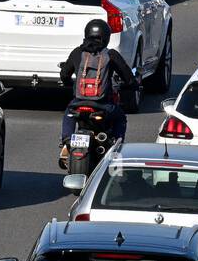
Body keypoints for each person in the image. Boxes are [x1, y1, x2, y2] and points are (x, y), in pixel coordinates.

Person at [57, 19, 139, 169]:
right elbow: (128, 78)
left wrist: (69, 83)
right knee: (120, 118)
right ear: (106, 37)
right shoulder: (111, 55)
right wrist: (133, 85)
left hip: (78, 104)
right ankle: (116, 150)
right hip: (104, 106)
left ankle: (67, 142)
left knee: (69, 113)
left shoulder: (77, 52)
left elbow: (64, 74)